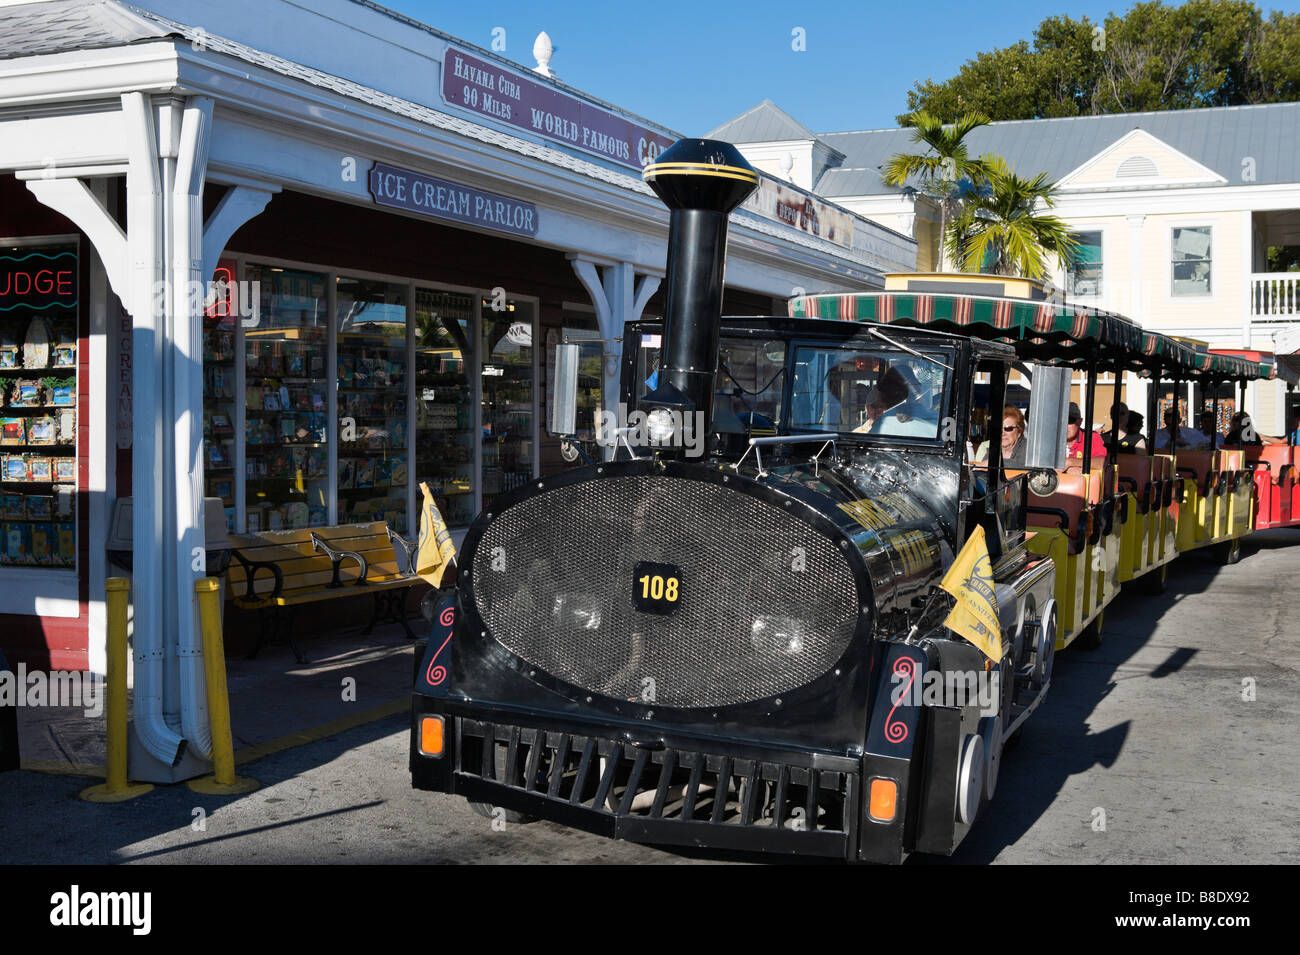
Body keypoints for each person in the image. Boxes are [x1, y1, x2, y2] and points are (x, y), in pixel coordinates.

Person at [1064, 401, 1106, 472]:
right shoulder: (1050, 439)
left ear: (1080, 422)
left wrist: (1070, 462)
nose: (1064, 425)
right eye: (1060, 420)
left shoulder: (1091, 437)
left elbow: (1101, 463)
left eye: (1069, 420)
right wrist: (1070, 470)